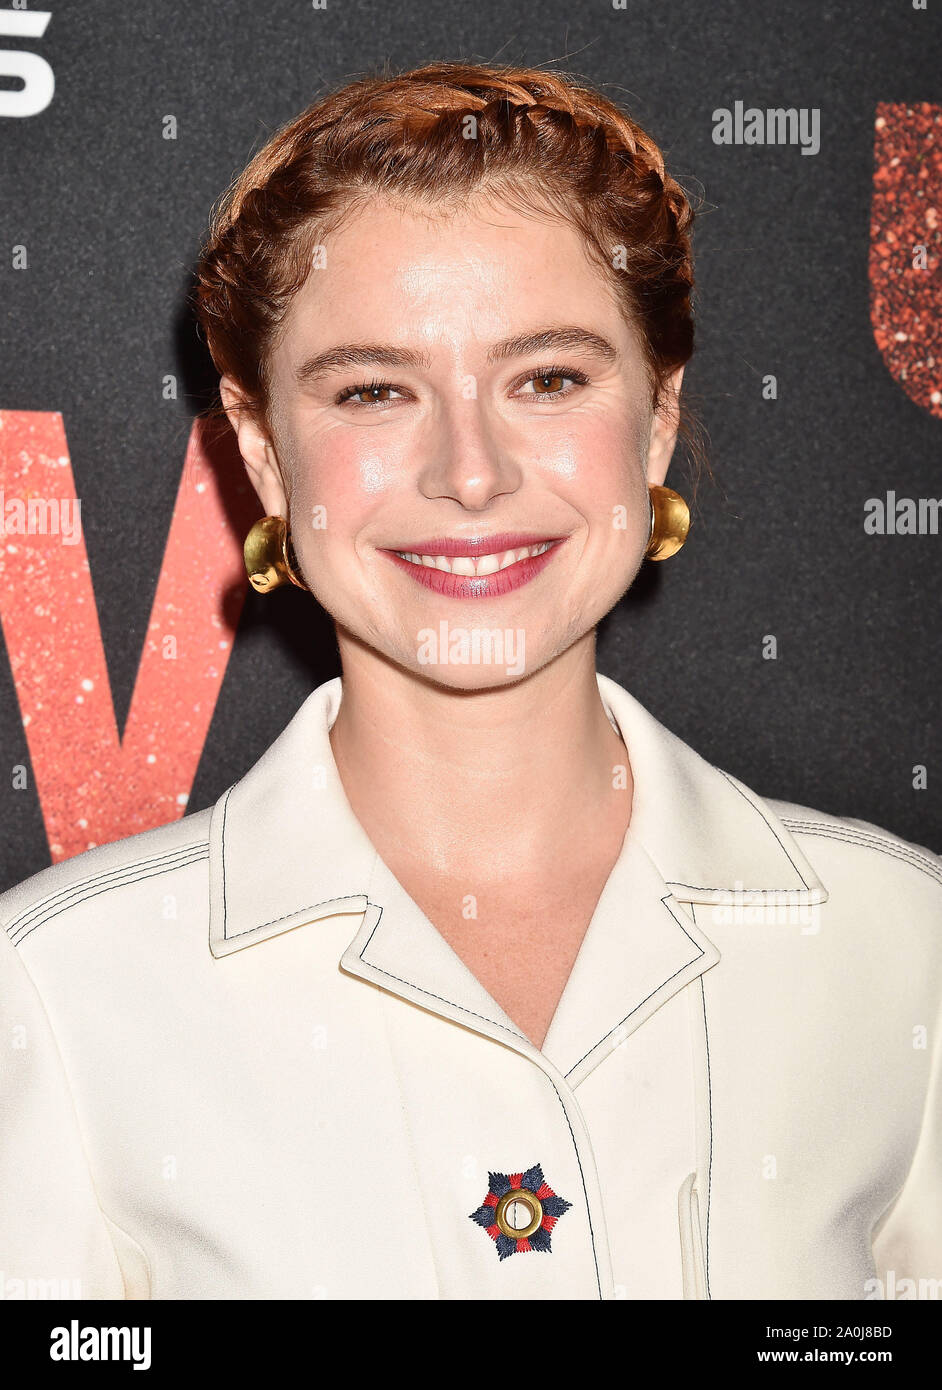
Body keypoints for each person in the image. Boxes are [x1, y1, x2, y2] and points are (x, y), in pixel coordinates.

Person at [1, 61, 939, 1302]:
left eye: (547, 377)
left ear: (656, 419)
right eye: (376, 390)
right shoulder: (58, 997)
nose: (472, 471)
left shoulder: (901, 944)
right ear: (264, 452)